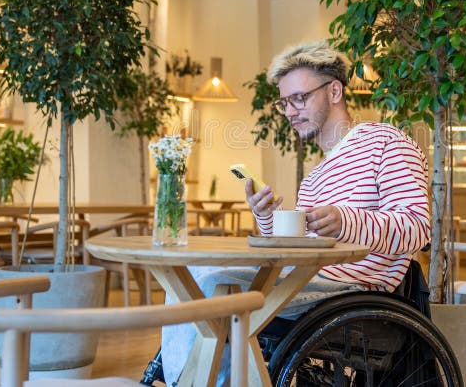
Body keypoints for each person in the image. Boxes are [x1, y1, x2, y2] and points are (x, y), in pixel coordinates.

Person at [161, 40, 431, 386]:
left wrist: (346, 221)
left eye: (300, 98)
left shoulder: (386, 143)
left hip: (354, 294)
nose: (290, 111)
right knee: (191, 276)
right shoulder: (315, 177)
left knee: (213, 288)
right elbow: (299, 248)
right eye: (285, 102)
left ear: (334, 90)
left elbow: (417, 226)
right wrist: (268, 219)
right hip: (307, 283)